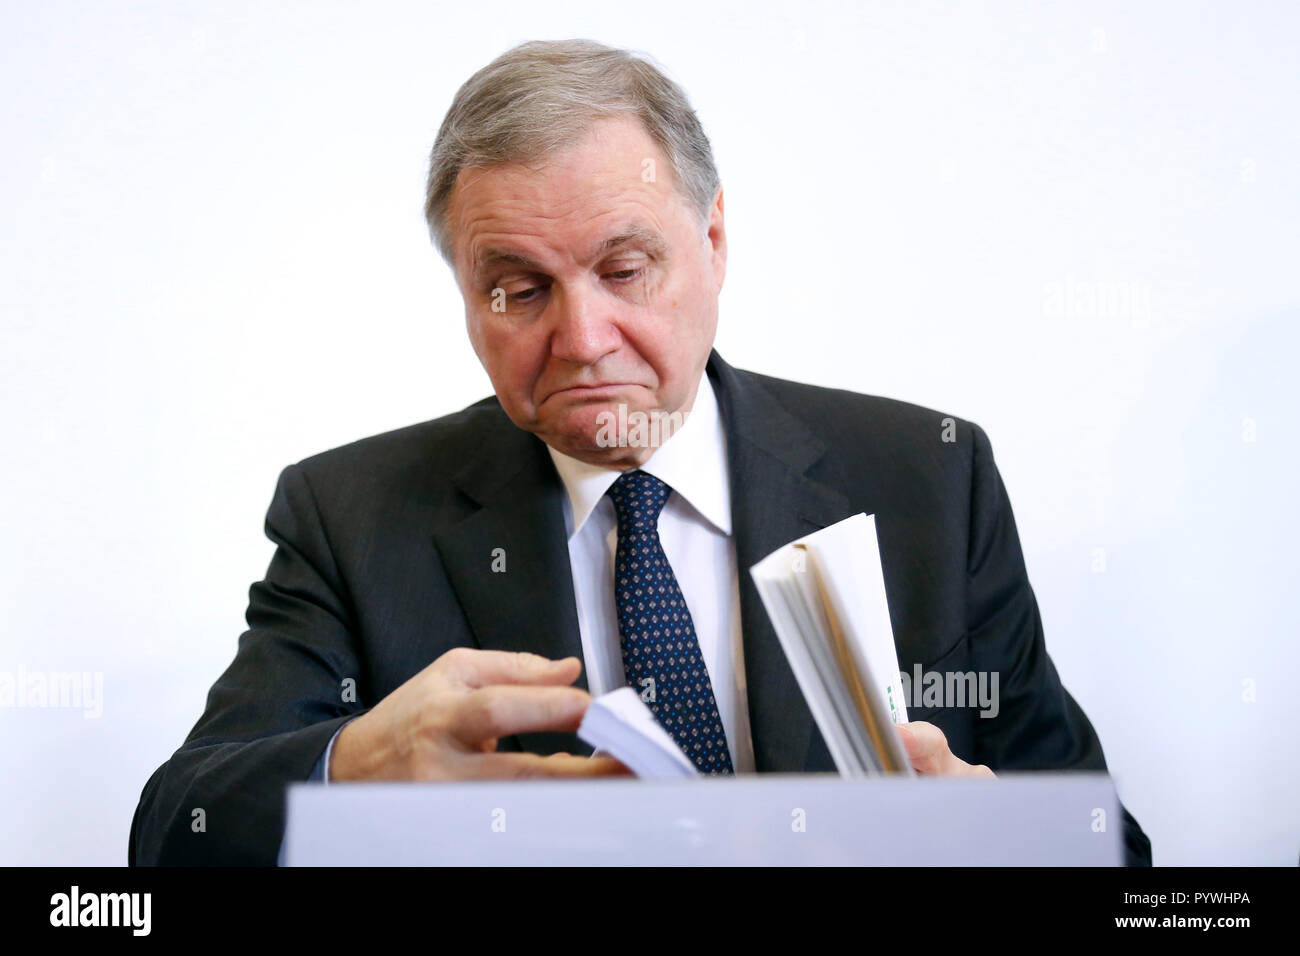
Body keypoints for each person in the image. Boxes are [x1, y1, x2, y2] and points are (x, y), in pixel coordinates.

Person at [129, 38, 1152, 866]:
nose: (580, 338)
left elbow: (1120, 863)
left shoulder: (927, 477)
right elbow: (174, 831)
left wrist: (1013, 842)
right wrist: (354, 761)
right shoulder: (351, 516)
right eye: (520, 289)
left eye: (625, 267)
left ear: (713, 242)